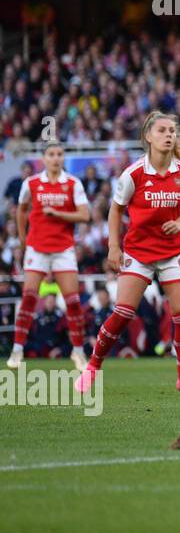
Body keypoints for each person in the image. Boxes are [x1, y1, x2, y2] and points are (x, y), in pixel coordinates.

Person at [76, 112, 180, 394]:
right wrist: (113, 246)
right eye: (162, 130)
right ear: (148, 137)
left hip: (174, 250)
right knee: (123, 312)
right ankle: (93, 366)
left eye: (172, 130)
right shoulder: (133, 174)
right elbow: (116, 209)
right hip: (140, 251)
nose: (169, 135)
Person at [9, 143, 90, 370]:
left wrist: (57, 213)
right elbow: (22, 209)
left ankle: (78, 352)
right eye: (51, 155)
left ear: (63, 158)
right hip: (37, 248)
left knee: (73, 301)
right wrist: (24, 238)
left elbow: (85, 215)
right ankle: (17, 350)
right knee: (29, 298)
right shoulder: (31, 183)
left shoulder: (73, 183)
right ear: (43, 158)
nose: (56, 158)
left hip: (63, 248)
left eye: (59, 154)